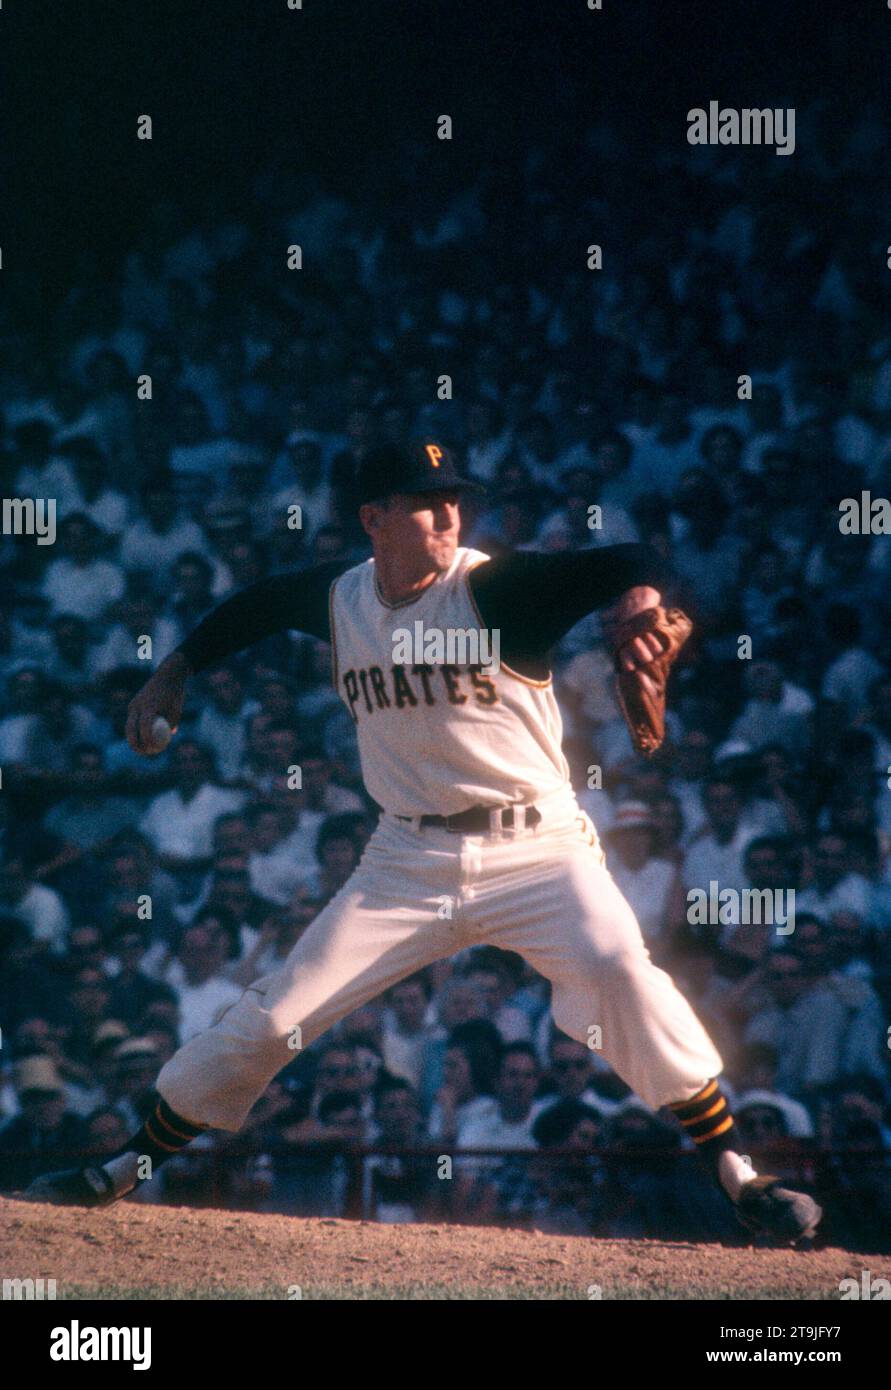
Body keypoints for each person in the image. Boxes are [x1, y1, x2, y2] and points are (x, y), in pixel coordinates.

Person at [29, 438, 820, 1243]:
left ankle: (738, 1176)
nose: (447, 513)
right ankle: (126, 1166)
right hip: (404, 860)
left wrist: (637, 600)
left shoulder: (495, 588)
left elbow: (636, 555)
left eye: (453, 499)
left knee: (619, 970)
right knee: (274, 1020)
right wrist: (175, 669)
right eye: (423, 500)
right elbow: (255, 606)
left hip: (536, 849)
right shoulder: (339, 600)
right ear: (373, 519)